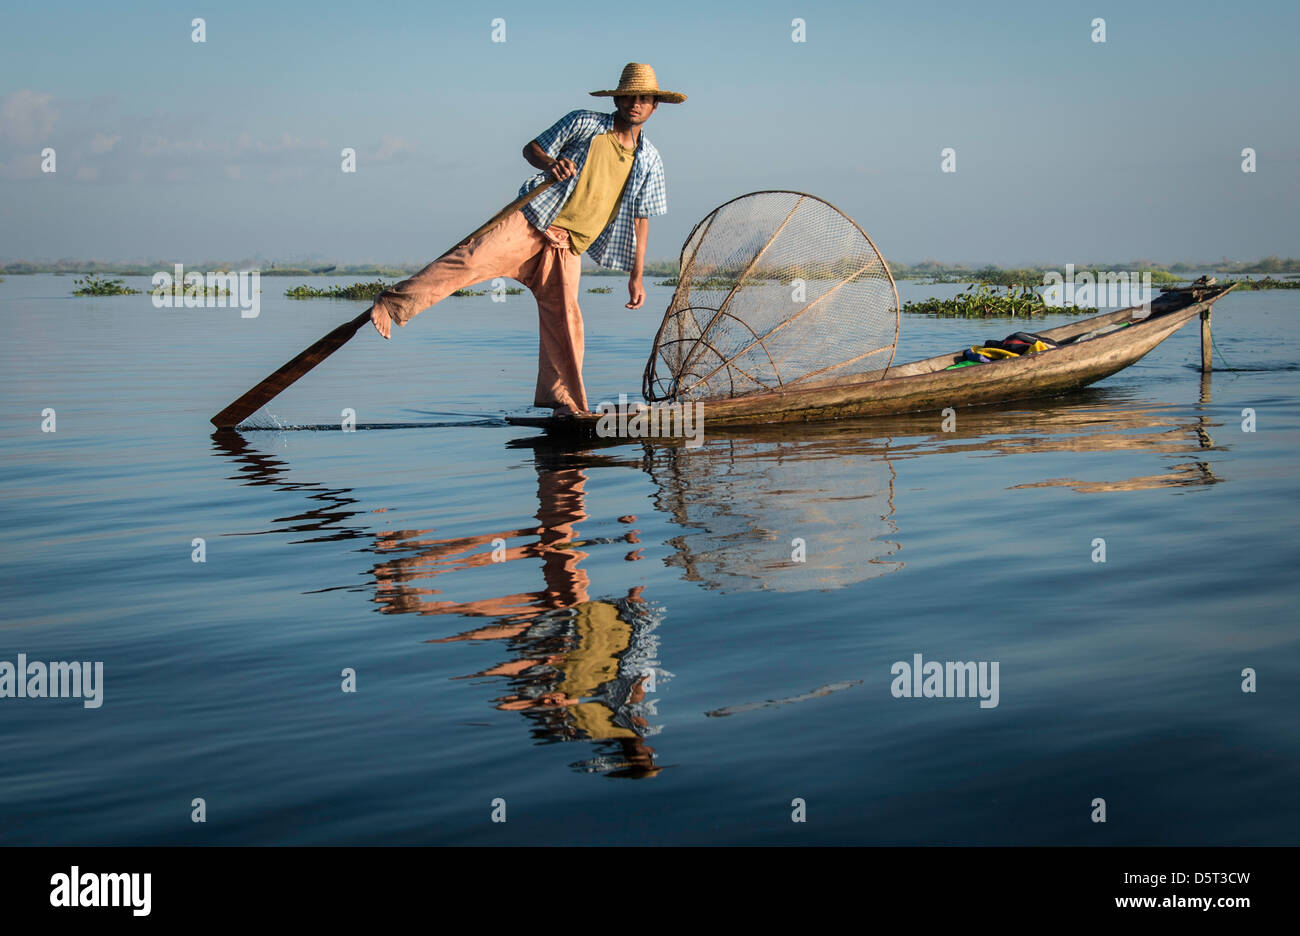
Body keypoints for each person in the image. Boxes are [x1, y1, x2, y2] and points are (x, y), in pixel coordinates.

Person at [368, 63, 685, 416]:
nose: (636, 103)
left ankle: (562, 402)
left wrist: (636, 275)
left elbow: (641, 220)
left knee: (566, 324)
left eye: (644, 98)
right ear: (618, 99)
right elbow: (532, 149)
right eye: (629, 96)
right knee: (470, 260)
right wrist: (551, 164)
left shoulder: (650, 160)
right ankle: (392, 303)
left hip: (568, 247)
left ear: (655, 106)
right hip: (532, 221)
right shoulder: (585, 123)